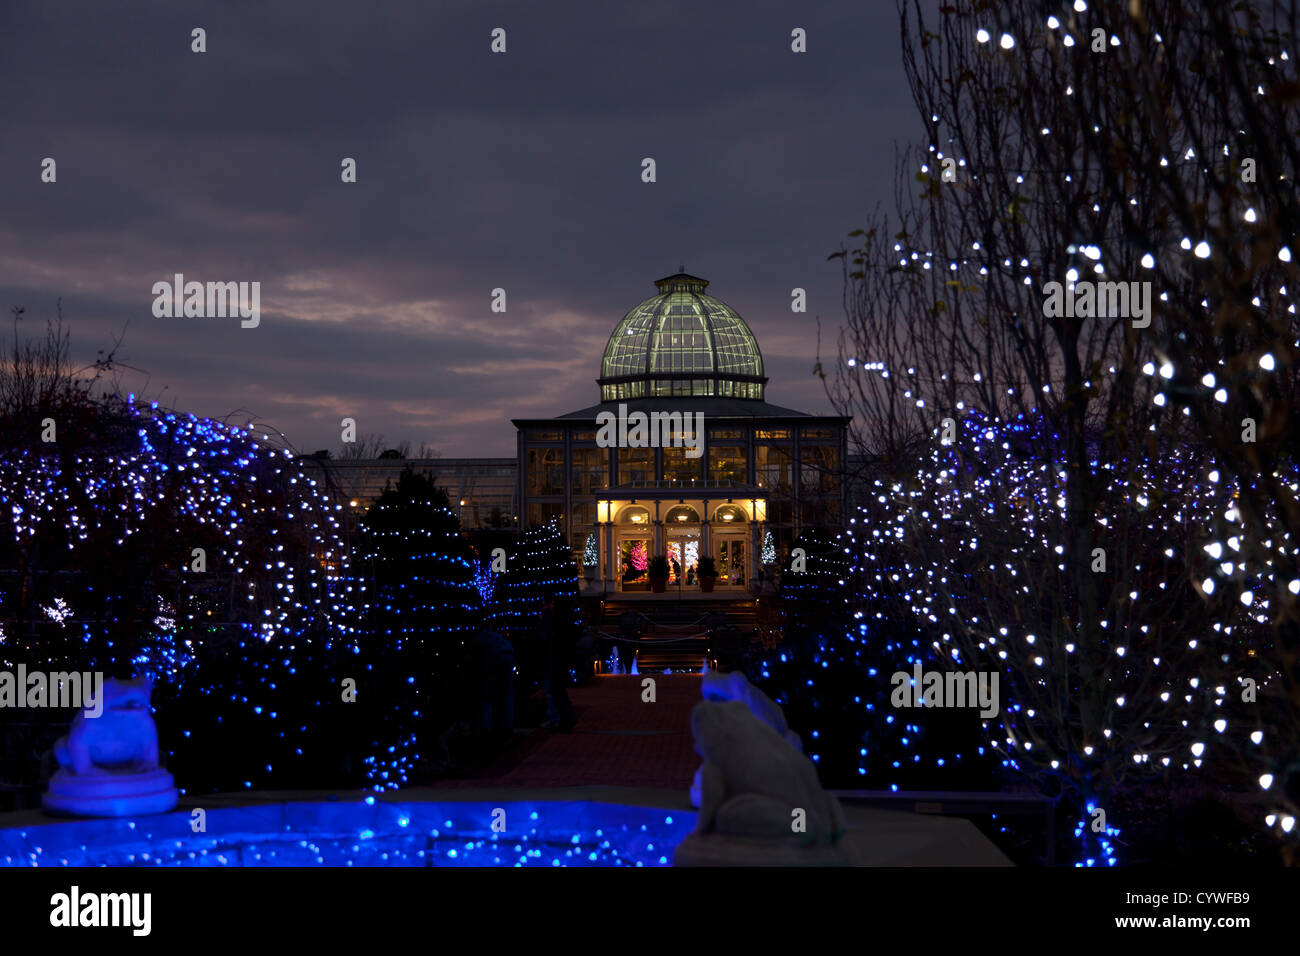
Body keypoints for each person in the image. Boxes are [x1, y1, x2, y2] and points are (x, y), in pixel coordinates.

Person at [540, 595, 577, 731]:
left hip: (556, 658)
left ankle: (565, 718)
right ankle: (566, 717)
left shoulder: (555, 621)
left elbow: (545, 636)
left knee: (556, 690)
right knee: (558, 690)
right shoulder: (565, 621)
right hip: (560, 658)